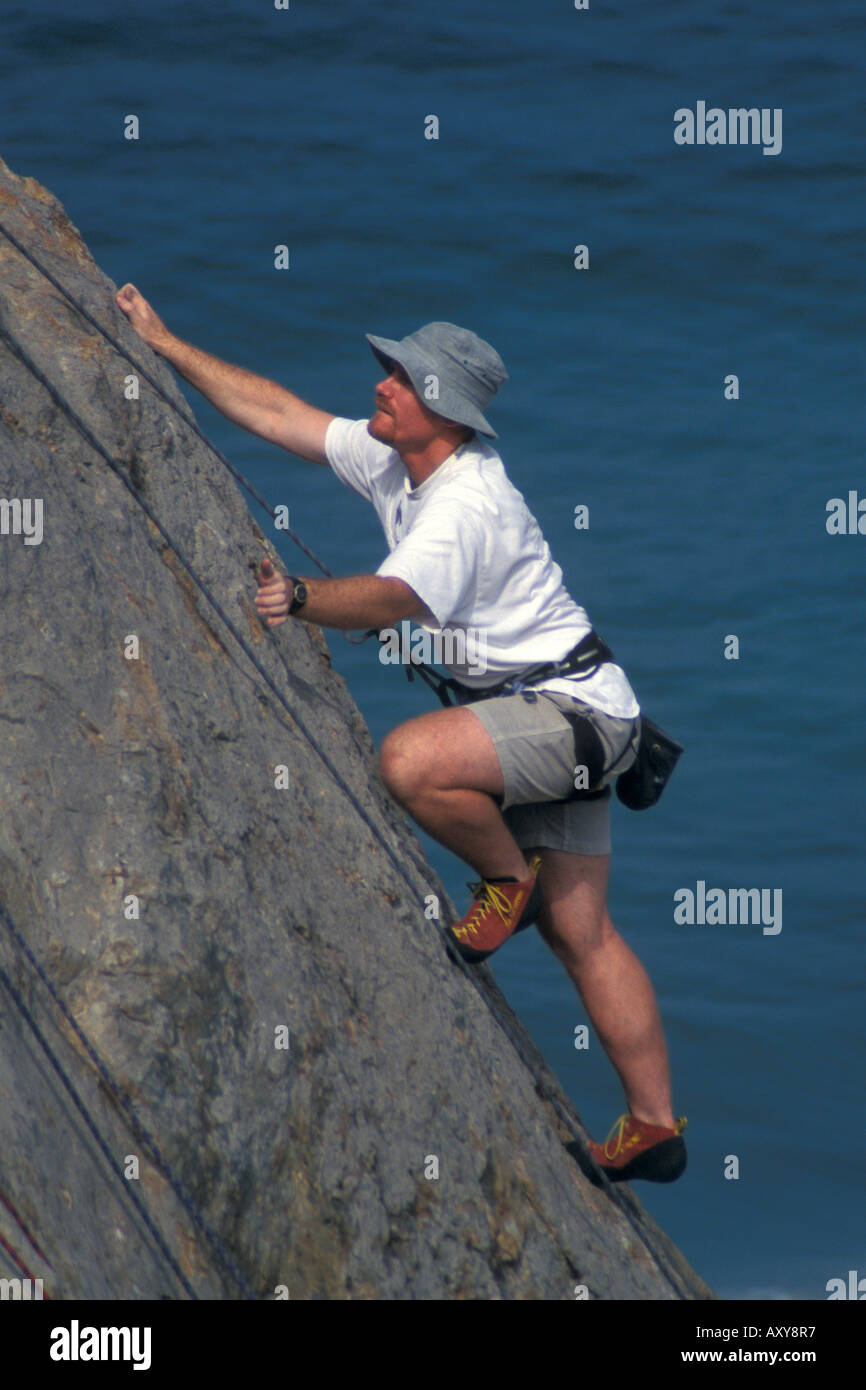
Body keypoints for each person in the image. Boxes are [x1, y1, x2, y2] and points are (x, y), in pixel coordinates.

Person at [114, 287, 687, 1184]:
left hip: (568, 715)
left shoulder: (464, 505)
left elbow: (392, 599)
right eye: (387, 371)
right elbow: (281, 413)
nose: (380, 386)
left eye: (401, 379)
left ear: (443, 412)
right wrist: (164, 342)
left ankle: (506, 882)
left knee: (410, 761)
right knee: (584, 936)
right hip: (574, 711)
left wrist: (300, 598)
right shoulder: (397, 462)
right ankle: (657, 1126)